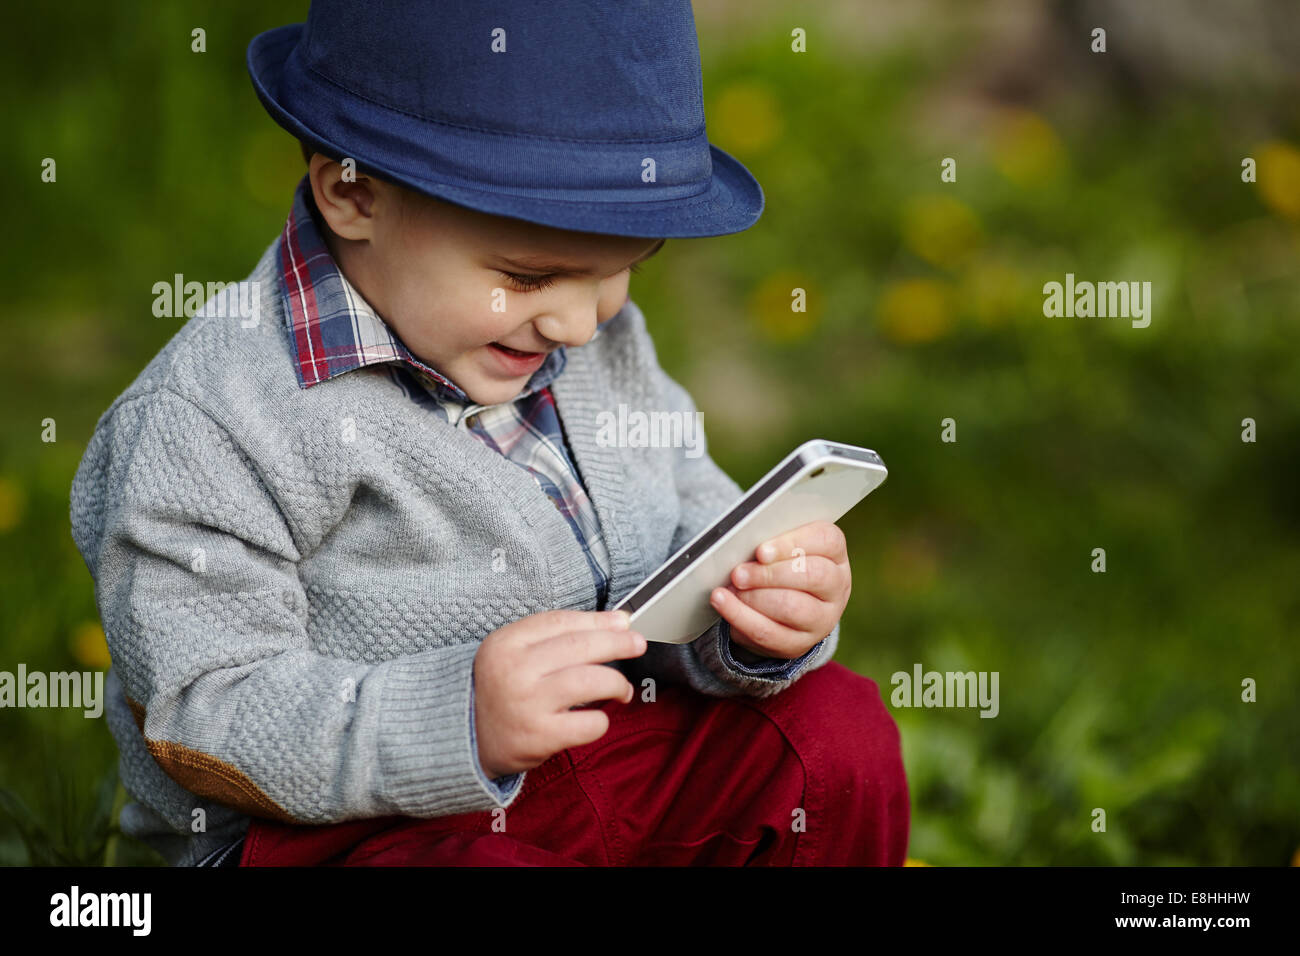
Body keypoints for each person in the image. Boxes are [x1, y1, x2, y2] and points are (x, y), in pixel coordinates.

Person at [69, 0, 908, 866]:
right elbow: (199, 711)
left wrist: (749, 615)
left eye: (619, 271)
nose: (581, 325)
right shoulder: (218, 416)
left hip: (600, 754)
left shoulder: (592, 339)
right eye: (531, 275)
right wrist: (456, 720)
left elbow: (684, 508)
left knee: (828, 740)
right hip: (344, 833)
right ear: (353, 191)